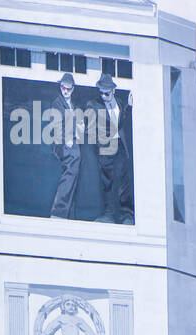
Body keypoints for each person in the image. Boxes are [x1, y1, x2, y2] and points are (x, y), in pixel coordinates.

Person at [87, 72, 134, 224]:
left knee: (124, 180)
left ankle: (127, 214)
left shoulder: (119, 103)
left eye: (106, 93)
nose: (103, 96)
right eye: (101, 93)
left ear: (113, 91)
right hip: (105, 148)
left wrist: (129, 107)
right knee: (107, 181)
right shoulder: (93, 105)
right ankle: (109, 214)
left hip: (120, 145)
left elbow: (120, 122)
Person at [48, 73, 84, 219]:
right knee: (70, 173)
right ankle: (58, 212)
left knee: (73, 176)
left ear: (73, 89)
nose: (65, 91)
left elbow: (79, 125)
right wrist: (65, 141)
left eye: (68, 89)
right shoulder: (57, 103)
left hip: (74, 141)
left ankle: (68, 215)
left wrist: (79, 129)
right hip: (63, 144)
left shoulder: (74, 106)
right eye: (63, 87)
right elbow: (56, 126)